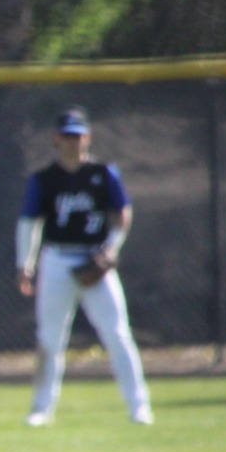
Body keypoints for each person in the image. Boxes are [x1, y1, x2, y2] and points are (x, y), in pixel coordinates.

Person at [16, 107, 152, 426]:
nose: (72, 142)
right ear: (56, 139)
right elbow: (29, 222)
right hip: (57, 259)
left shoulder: (104, 174)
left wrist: (111, 249)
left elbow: (122, 214)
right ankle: (41, 408)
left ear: (87, 137)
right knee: (50, 338)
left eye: (77, 135)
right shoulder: (44, 179)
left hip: (96, 260)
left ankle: (139, 406)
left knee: (118, 334)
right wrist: (25, 263)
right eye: (67, 136)